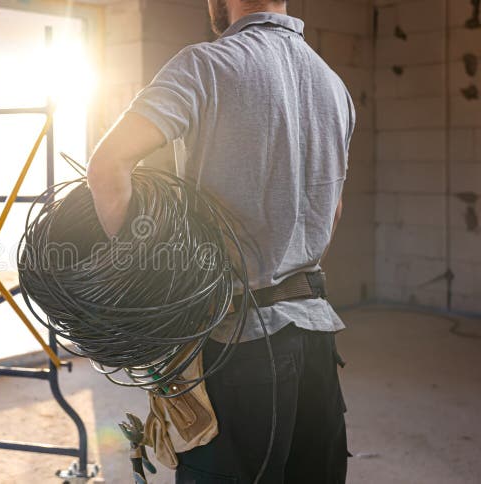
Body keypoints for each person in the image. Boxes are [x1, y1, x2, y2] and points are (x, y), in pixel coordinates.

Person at [86, 0, 355, 482]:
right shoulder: (333, 85)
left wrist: (145, 288)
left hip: (235, 345)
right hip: (315, 334)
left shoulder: (206, 65)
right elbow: (332, 210)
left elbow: (108, 167)